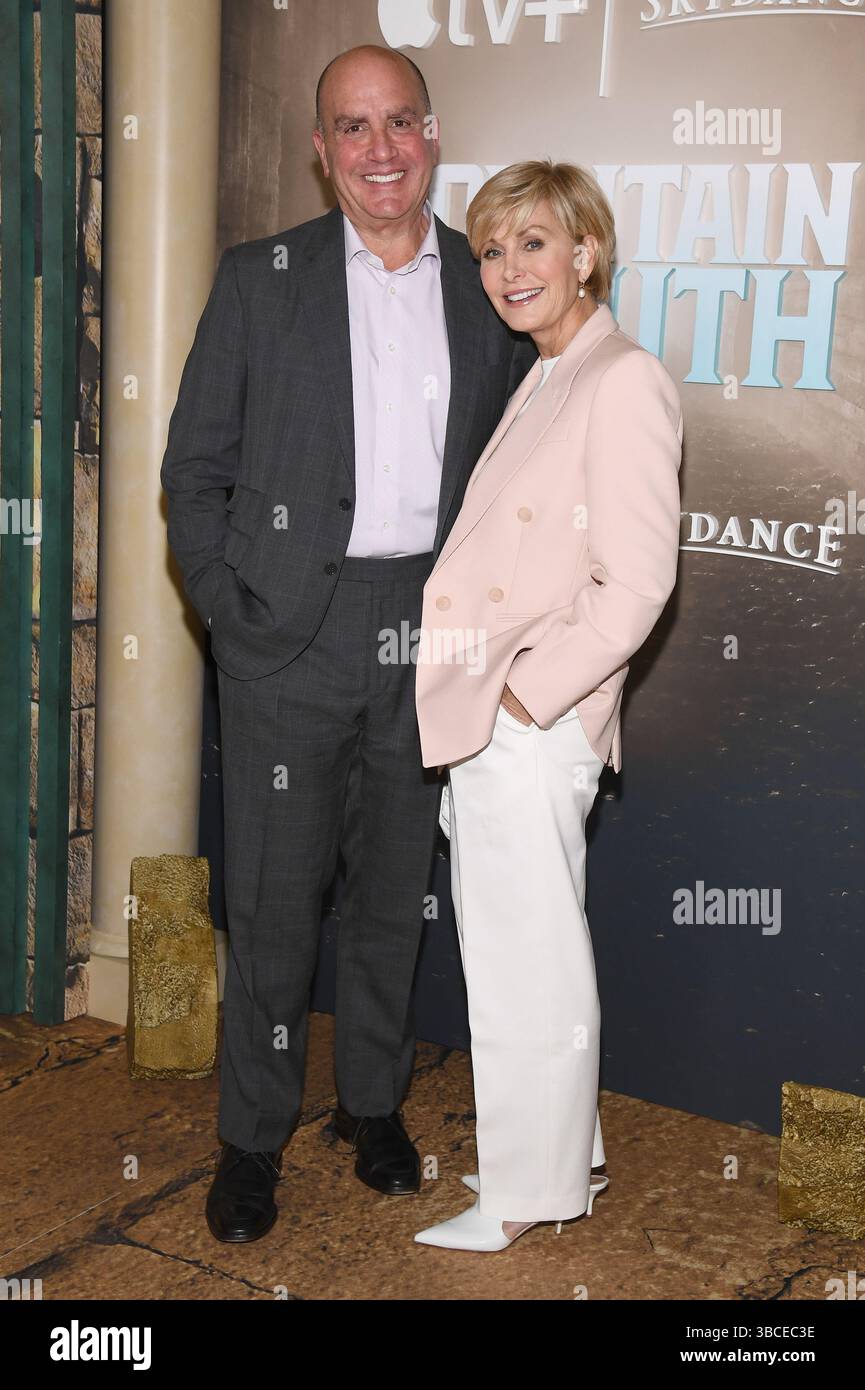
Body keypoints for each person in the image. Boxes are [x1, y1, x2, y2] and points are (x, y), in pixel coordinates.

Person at [160, 46, 536, 1243]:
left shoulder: (487, 291)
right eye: (352, 127)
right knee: (271, 906)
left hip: (425, 633)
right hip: (286, 640)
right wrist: (232, 608)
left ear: (432, 133)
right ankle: (251, 1137)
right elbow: (194, 471)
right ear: (320, 151)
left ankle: (371, 1106)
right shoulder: (259, 279)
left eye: (400, 123)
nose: (380, 150)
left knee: (391, 894)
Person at [413, 160, 683, 1251]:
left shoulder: (621, 378)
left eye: (534, 242)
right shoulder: (552, 369)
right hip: (495, 717)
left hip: (526, 720)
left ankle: (525, 1192)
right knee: (527, 950)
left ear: (584, 253)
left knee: (525, 963)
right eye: (490, 248)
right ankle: (561, 1156)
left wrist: (524, 701)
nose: (508, 268)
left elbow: (640, 581)